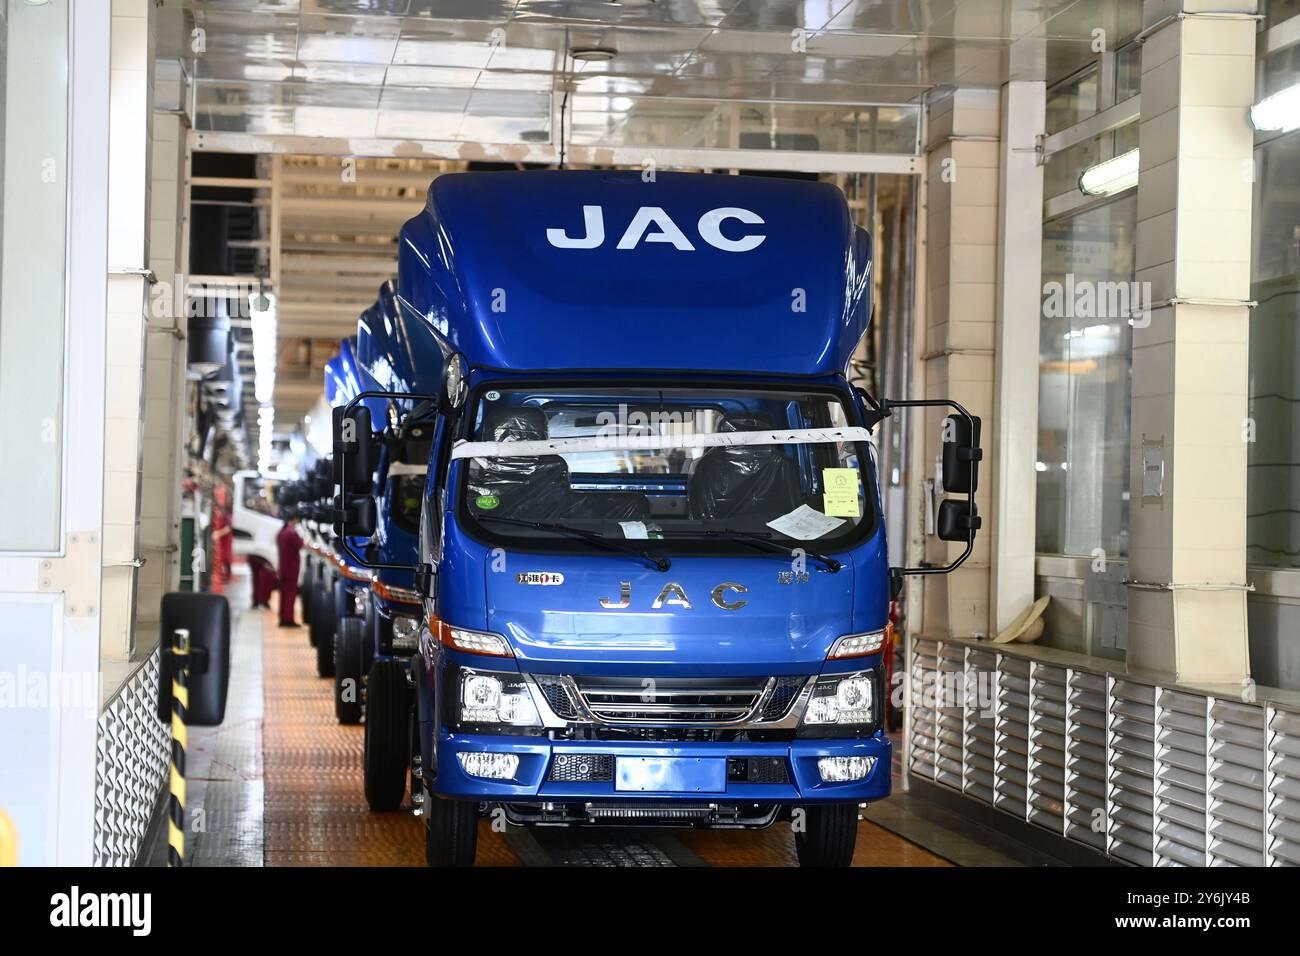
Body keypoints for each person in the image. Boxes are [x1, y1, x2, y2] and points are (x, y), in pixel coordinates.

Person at [276, 514, 303, 627]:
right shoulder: (291, 532)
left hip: (283, 567)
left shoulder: (282, 532)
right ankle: (288, 619)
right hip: (291, 568)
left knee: (283, 595)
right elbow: (300, 544)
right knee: (290, 596)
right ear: (295, 519)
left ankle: (283, 618)